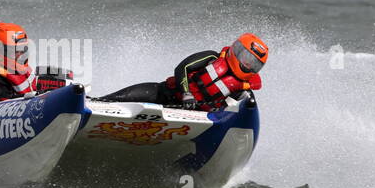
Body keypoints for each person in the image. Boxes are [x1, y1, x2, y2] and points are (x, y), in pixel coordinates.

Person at [100, 33, 269, 111]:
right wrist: (187, 94)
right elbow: (183, 68)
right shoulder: (212, 57)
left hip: (196, 119)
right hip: (164, 94)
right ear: (237, 50)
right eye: (247, 57)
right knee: (111, 101)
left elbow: (231, 110)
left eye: (254, 63)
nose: (248, 64)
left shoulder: (244, 89)